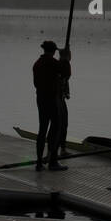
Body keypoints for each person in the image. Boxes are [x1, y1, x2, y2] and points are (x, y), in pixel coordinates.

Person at [32, 40, 70, 171]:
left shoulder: (37, 63)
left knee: (42, 130)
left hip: (41, 99)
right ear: (53, 51)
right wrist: (65, 59)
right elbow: (66, 74)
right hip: (52, 100)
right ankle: (53, 161)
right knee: (56, 129)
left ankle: (39, 163)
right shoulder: (52, 63)